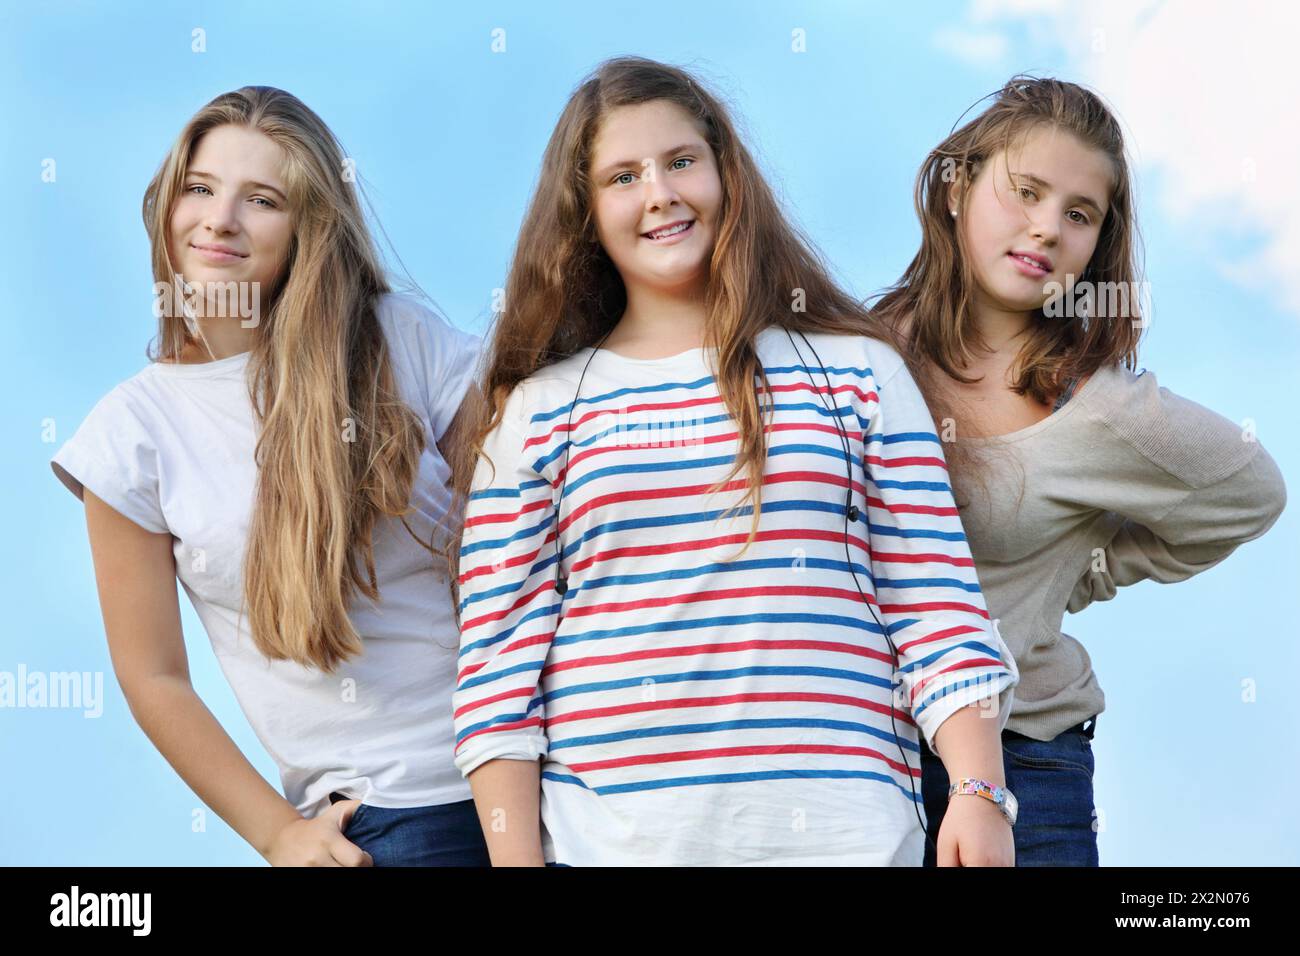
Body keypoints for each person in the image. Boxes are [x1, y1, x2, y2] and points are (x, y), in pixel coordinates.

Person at [443, 57, 1019, 867]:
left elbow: (934, 601)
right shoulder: (540, 411)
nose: (660, 194)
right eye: (623, 176)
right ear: (584, 212)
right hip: (612, 848)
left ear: (726, 174)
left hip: (846, 839)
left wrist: (978, 792)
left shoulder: (855, 371)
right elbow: (499, 671)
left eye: (680, 161)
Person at [50, 86, 490, 866]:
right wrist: (278, 833)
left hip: (546, 777)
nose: (221, 218)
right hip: (389, 822)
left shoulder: (402, 337)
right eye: (200, 187)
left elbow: (516, 534)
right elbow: (153, 675)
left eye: (262, 199)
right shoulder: (129, 435)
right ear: (168, 205)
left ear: (307, 233)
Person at [869, 75, 1288, 866]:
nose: (1046, 228)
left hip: (1025, 765)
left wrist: (1077, 567)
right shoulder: (855, 357)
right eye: (1024, 191)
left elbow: (1250, 494)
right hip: (850, 763)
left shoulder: (1098, 410)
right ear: (957, 189)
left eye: (1079, 214)